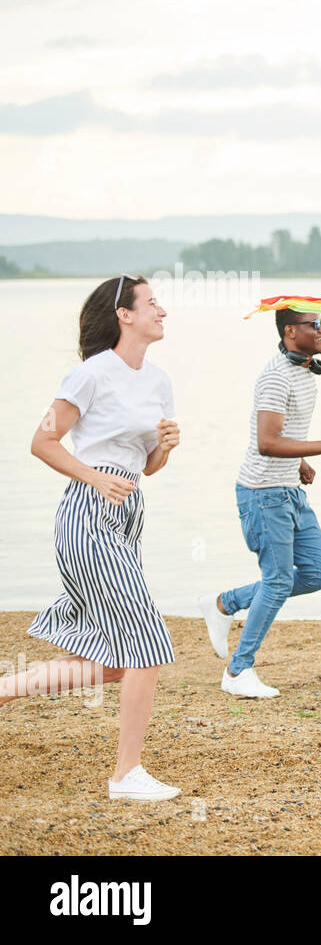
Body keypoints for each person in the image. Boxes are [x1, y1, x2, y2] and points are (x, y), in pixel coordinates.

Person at [3, 274, 183, 801]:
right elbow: (43, 441)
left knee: (115, 662)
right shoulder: (89, 374)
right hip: (88, 512)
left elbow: (145, 466)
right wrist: (91, 476)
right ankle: (126, 775)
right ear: (124, 314)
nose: (162, 310)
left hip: (128, 514)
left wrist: (165, 448)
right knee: (148, 645)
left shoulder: (159, 381)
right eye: (152, 303)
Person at [198, 309, 321, 698]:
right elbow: (266, 442)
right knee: (278, 579)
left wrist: (300, 461)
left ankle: (226, 603)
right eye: (314, 325)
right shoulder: (275, 376)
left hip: (289, 491)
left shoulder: (304, 373)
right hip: (263, 494)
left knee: (317, 573)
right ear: (290, 332)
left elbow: (281, 432)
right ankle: (238, 672)